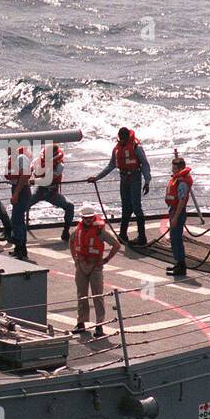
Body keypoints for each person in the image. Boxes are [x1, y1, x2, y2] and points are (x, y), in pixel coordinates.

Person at [89, 127, 150, 248]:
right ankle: (123, 235)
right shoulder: (116, 149)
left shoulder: (136, 147)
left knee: (136, 207)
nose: (121, 141)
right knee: (126, 207)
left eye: (123, 139)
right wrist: (97, 178)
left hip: (135, 178)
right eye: (120, 139)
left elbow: (144, 164)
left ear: (127, 137)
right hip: (124, 179)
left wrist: (147, 181)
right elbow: (111, 165)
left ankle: (142, 237)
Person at [70, 205, 121, 335]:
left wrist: (106, 260)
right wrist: (75, 259)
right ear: (82, 218)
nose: (88, 220)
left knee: (98, 296)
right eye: (86, 218)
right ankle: (81, 323)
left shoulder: (100, 231)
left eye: (90, 218)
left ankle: (100, 325)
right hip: (81, 265)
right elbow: (71, 242)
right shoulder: (78, 230)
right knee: (81, 295)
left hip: (95, 267)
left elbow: (116, 245)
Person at [31, 143, 74, 241]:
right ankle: (14, 231)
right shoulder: (38, 160)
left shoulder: (59, 165)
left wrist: (34, 181)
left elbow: (49, 179)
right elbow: (32, 169)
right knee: (22, 207)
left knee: (70, 206)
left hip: (52, 192)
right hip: (39, 190)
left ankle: (66, 231)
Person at [164, 155, 193, 277]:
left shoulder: (182, 182)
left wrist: (175, 217)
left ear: (180, 169)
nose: (172, 170)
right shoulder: (177, 179)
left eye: (175, 168)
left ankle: (181, 265)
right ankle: (178, 263)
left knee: (176, 238)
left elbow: (182, 200)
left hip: (178, 212)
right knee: (173, 237)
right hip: (173, 210)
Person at [7, 145, 34, 261]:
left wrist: (16, 193)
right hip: (19, 189)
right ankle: (20, 248)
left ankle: (21, 249)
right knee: (18, 220)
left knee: (17, 221)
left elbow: (25, 175)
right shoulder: (16, 159)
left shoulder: (21, 158)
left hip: (22, 191)